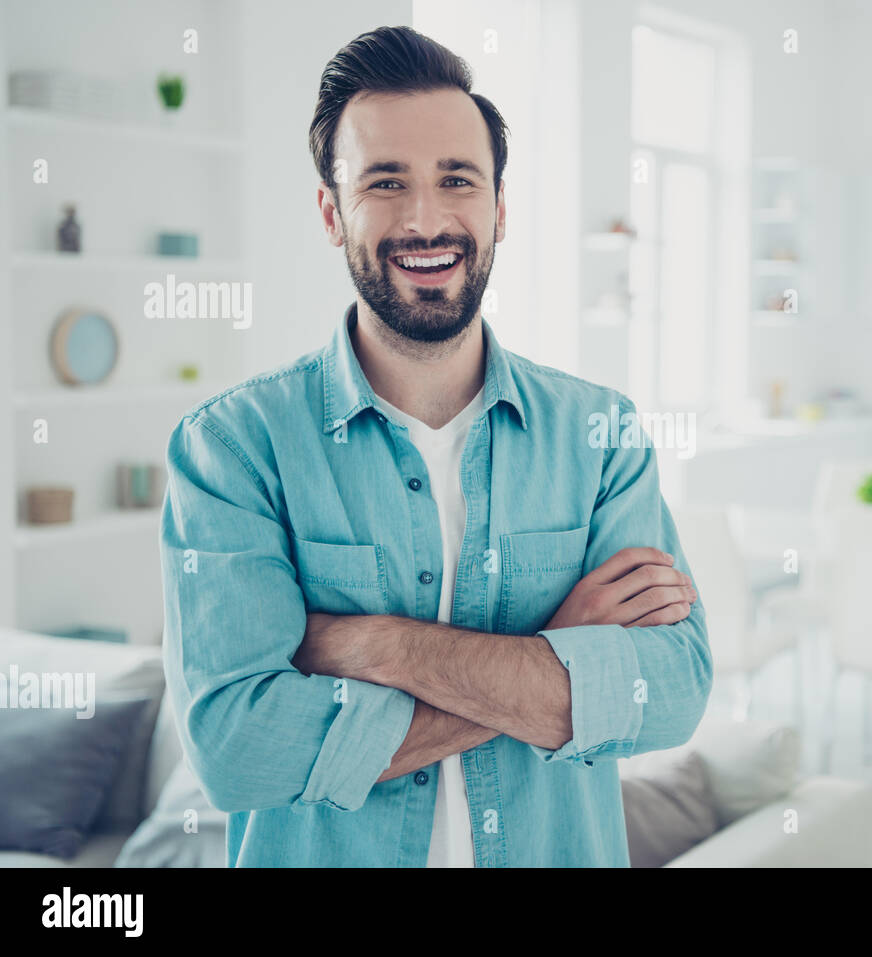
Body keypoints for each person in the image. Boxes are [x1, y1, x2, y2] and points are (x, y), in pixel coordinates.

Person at [160, 25, 711, 867]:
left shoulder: (602, 436)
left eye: (457, 179)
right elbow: (240, 750)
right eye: (385, 182)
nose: (425, 219)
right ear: (330, 210)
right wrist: (555, 656)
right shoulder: (234, 449)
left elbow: (668, 692)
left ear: (497, 210)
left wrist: (368, 643)